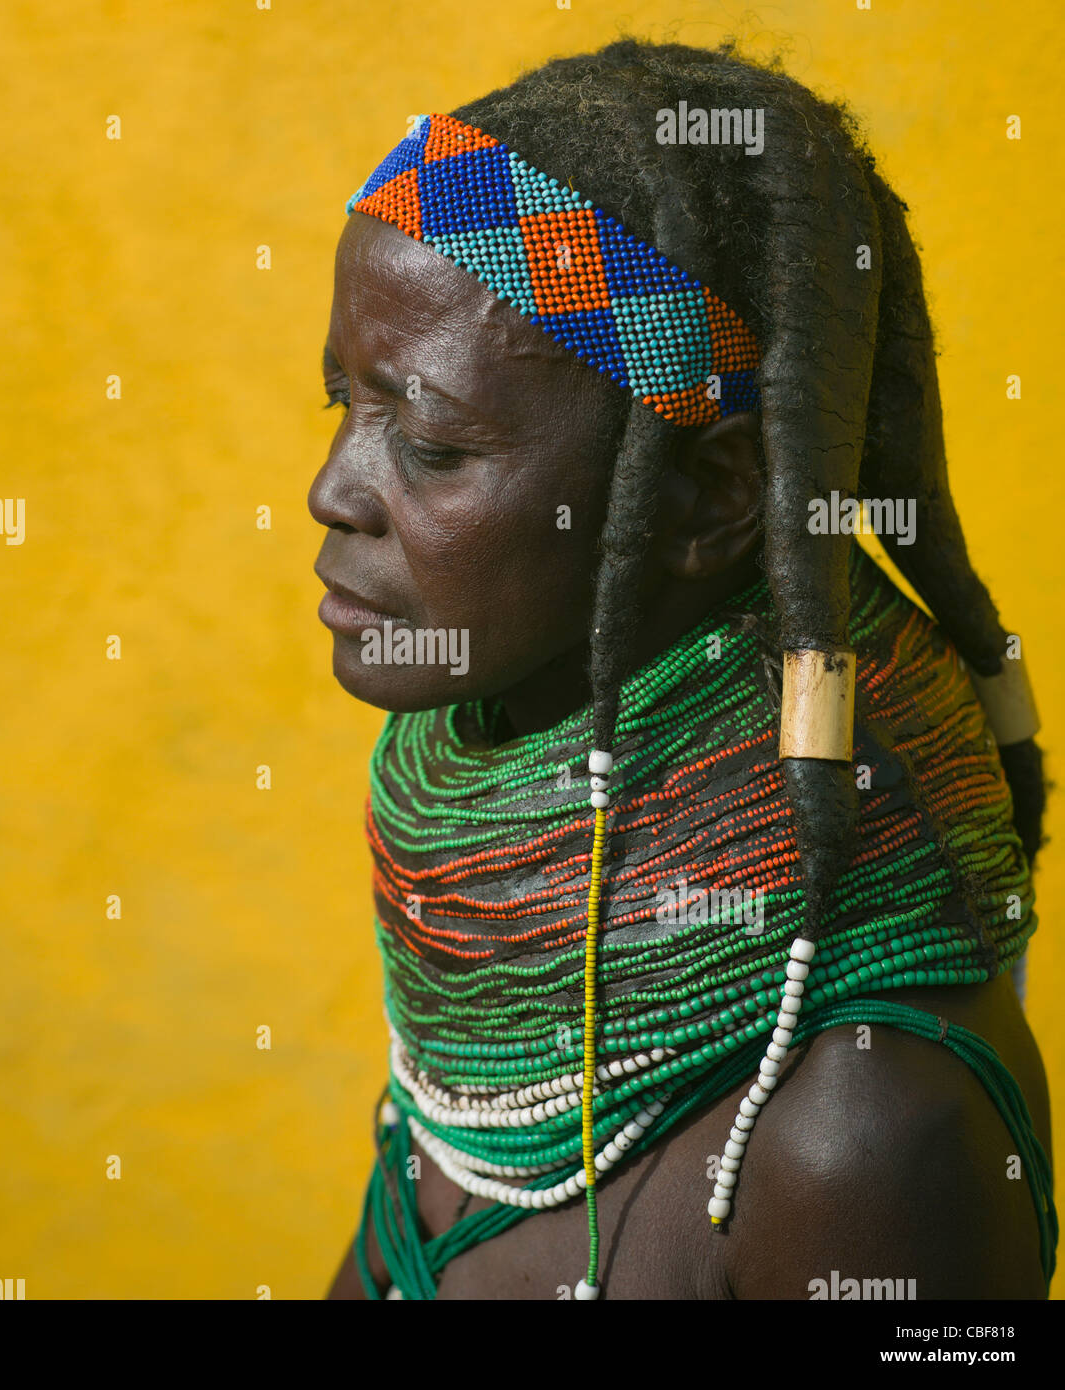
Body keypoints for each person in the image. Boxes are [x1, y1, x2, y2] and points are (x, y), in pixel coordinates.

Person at [310, 37, 1054, 1300]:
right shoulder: (539, 908)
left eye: (428, 443)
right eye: (337, 400)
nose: (331, 489)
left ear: (708, 497)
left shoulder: (858, 1137)